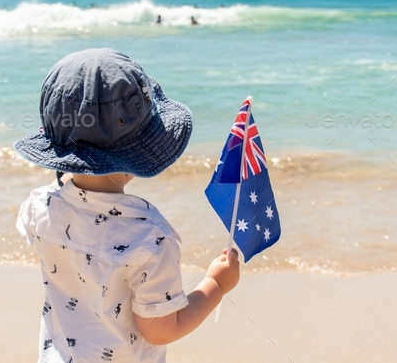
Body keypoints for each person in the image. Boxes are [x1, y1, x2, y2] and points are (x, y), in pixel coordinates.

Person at [14, 48, 240, 363]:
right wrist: (215, 285)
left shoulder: (40, 205)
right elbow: (160, 330)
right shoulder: (149, 239)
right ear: (139, 151)